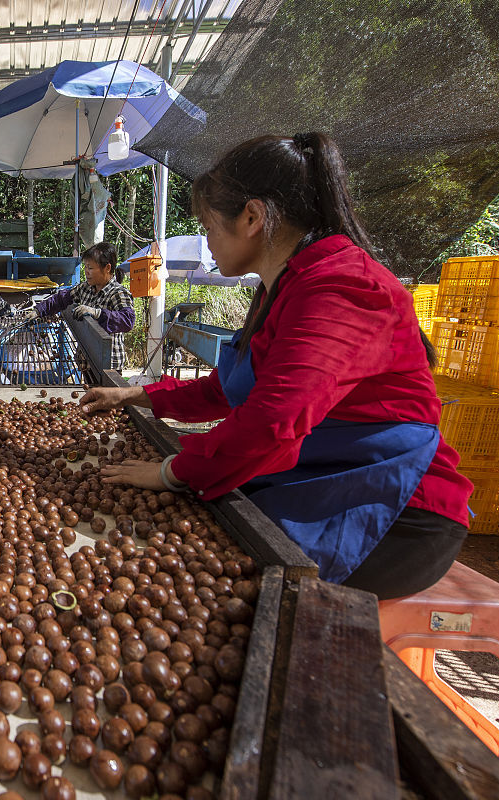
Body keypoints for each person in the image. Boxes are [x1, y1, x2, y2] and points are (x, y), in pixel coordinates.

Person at [81, 133, 472, 600]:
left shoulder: (341, 286)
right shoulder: (282, 286)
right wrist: (134, 394)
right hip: (315, 477)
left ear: (252, 217)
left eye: (208, 225)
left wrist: (172, 471)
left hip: (388, 507)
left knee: (191, 581)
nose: (206, 240)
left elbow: (272, 418)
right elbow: (229, 390)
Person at [27, 242, 135, 371]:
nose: (86, 272)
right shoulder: (85, 288)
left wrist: (98, 313)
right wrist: (39, 310)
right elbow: (61, 299)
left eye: (90, 268)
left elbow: (127, 320)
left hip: (107, 365)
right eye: (85, 267)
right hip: (86, 360)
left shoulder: (118, 293)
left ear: (107, 268)